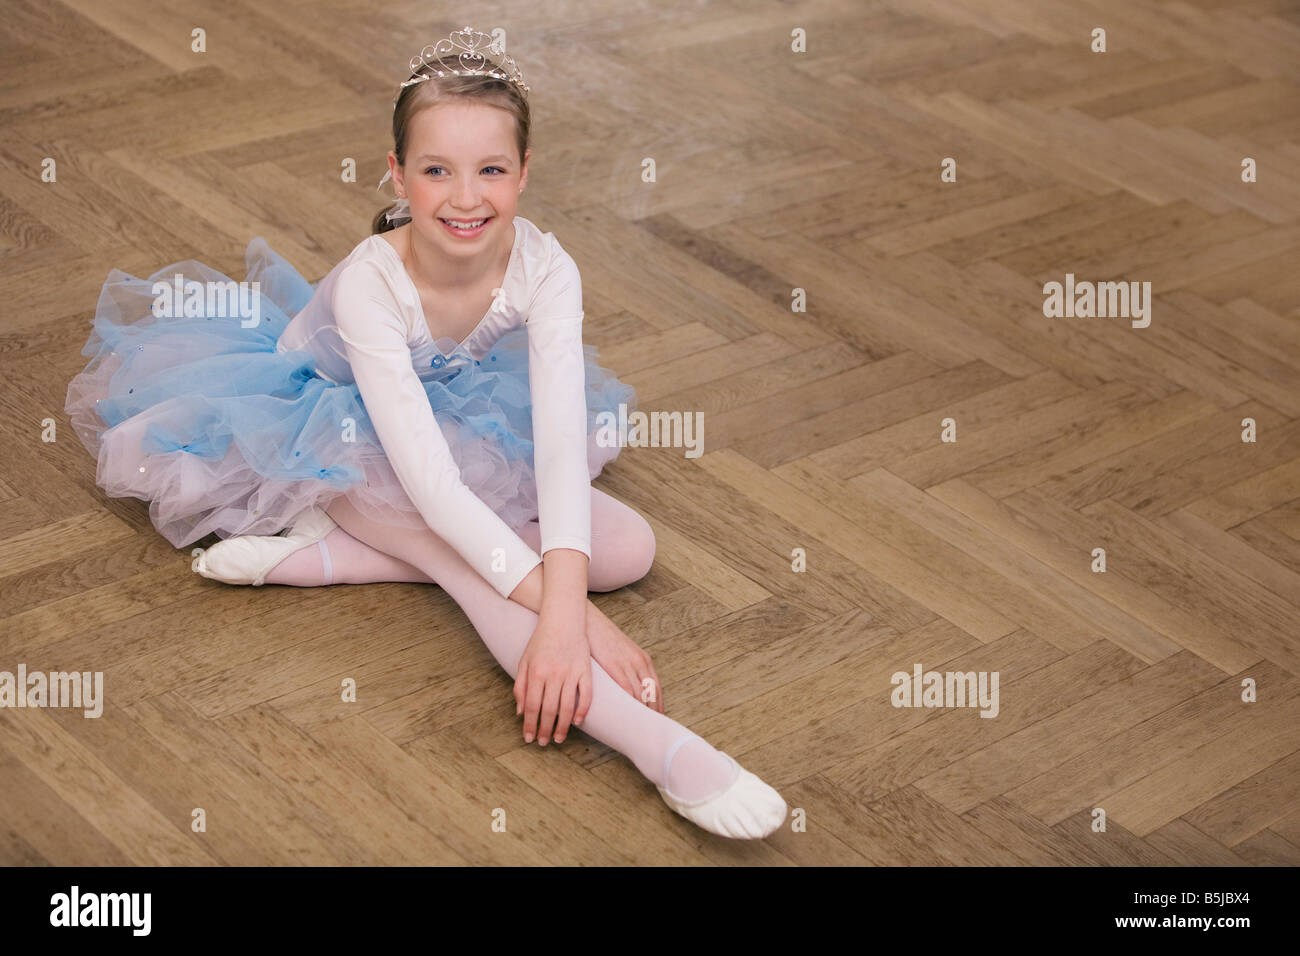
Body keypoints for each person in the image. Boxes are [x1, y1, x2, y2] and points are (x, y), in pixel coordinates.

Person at [65, 26, 787, 840]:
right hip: (326, 431)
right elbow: (434, 487)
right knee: (480, 571)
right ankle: (666, 753)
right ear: (397, 172)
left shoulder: (548, 268)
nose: (465, 197)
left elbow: (556, 446)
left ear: (524, 174)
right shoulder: (374, 283)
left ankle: (341, 559)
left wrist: (566, 608)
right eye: (437, 170)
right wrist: (568, 620)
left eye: (491, 170)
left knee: (629, 552)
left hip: (439, 412)